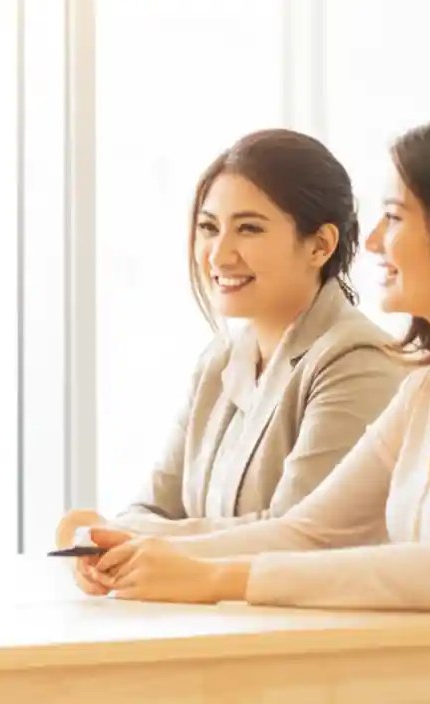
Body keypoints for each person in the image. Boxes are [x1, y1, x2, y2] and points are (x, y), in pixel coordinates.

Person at [82, 112, 430, 704]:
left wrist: (217, 577)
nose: (371, 240)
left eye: (394, 217)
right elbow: (310, 531)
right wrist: (141, 555)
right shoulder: (429, 389)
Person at [57, 130, 405, 585]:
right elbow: (150, 506)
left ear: (320, 246)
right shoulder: (219, 361)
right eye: (208, 228)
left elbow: (298, 536)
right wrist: (111, 548)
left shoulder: (357, 360)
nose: (219, 254)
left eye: (249, 228)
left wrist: (125, 540)